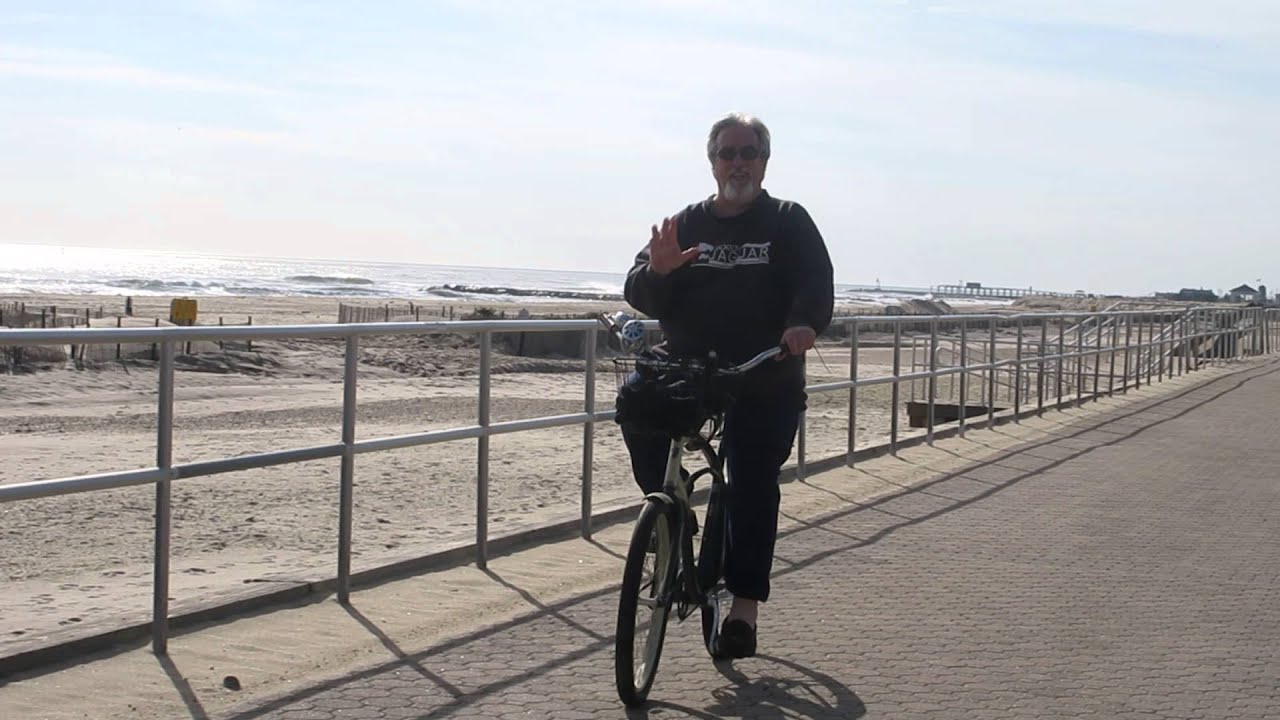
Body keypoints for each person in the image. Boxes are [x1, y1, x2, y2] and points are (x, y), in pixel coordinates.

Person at [621, 112, 835, 659]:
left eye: (748, 153)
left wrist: (803, 323)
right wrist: (659, 273)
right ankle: (671, 514)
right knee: (635, 402)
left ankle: (743, 607)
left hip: (762, 373)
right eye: (727, 153)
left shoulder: (788, 221)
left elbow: (815, 283)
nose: (737, 163)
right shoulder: (687, 223)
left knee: (751, 482)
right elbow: (641, 292)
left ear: (764, 161)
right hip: (690, 369)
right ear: (712, 161)